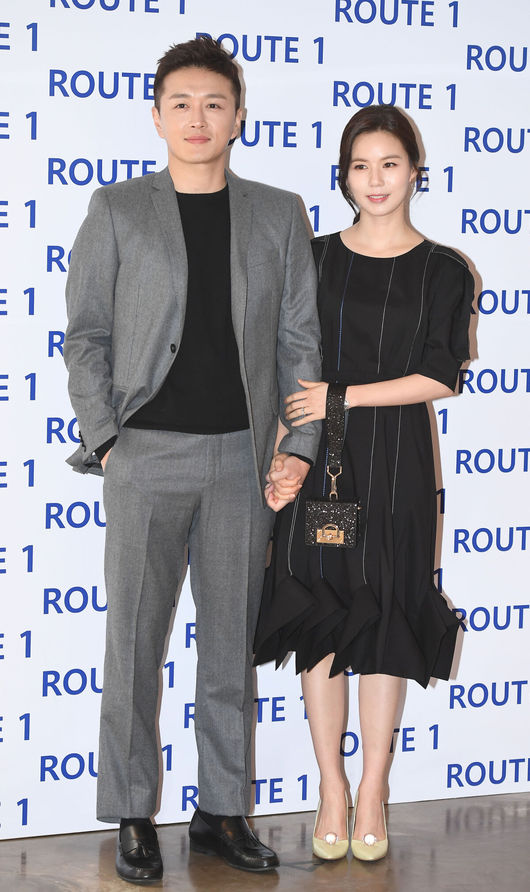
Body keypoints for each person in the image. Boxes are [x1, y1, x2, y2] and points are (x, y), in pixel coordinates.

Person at [63, 37, 321, 884]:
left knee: (229, 650)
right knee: (134, 645)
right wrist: (108, 438)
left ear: (238, 115)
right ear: (157, 116)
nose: (198, 118)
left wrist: (298, 446)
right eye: (182, 103)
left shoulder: (278, 213)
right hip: (144, 456)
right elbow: (86, 335)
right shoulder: (117, 209)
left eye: (214, 103)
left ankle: (222, 811)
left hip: (244, 461)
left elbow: (298, 343)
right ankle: (133, 813)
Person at [255, 104, 474, 862]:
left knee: (385, 617)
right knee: (321, 616)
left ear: (416, 171)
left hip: (398, 461)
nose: (375, 180)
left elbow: (440, 376)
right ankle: (331, 786)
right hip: (319, 457)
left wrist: (341, 398)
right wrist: (283, 456)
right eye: (360, 166)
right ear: (342, 176)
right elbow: (290, 365)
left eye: (390, 164)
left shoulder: (445, 269)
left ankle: (374, 786)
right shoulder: (313, 258)